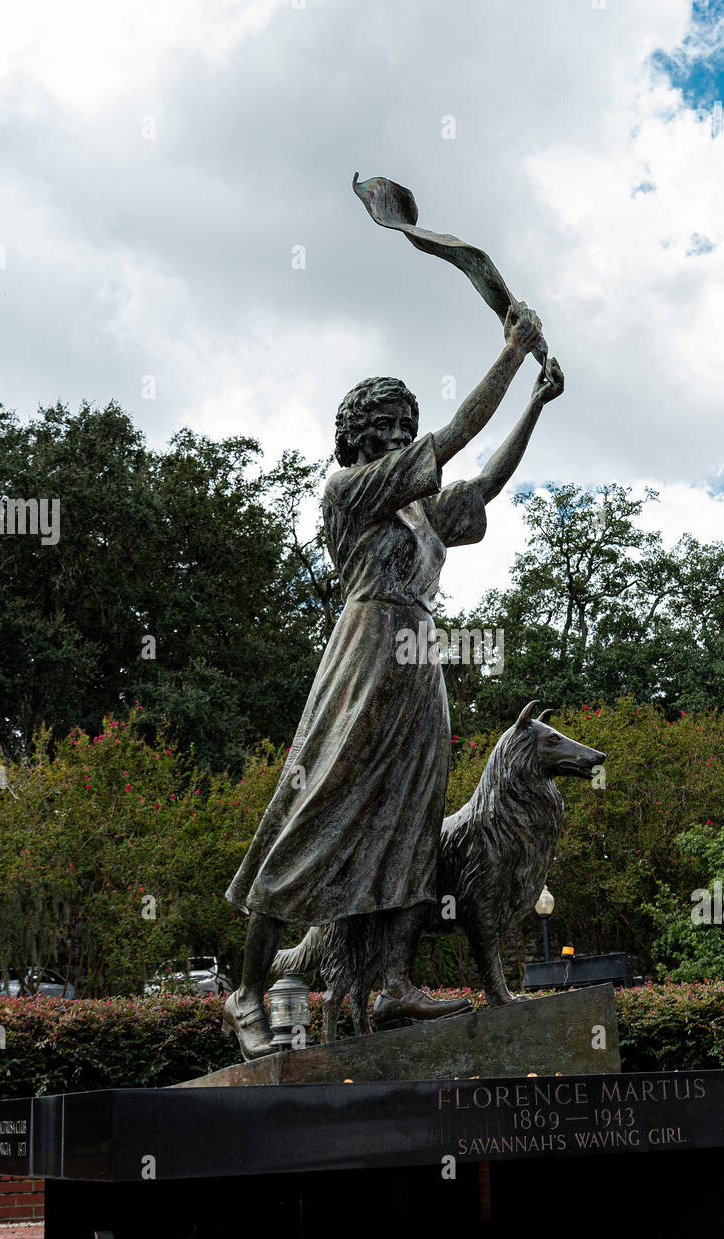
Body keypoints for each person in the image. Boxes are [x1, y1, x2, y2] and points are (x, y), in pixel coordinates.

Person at [223, 303, 563, 1058]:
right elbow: (454, 441)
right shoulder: (348, 491)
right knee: (308, 817)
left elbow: (483, 482)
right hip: (366, 651)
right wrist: (511, 354)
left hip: (418, 667)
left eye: (404, 420)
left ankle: (394, 984)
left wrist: (534, 404)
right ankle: (247, 990)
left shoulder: (418, 514)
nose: (400, 432)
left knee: (411, 825)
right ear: (358, 436)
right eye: (385, 421)